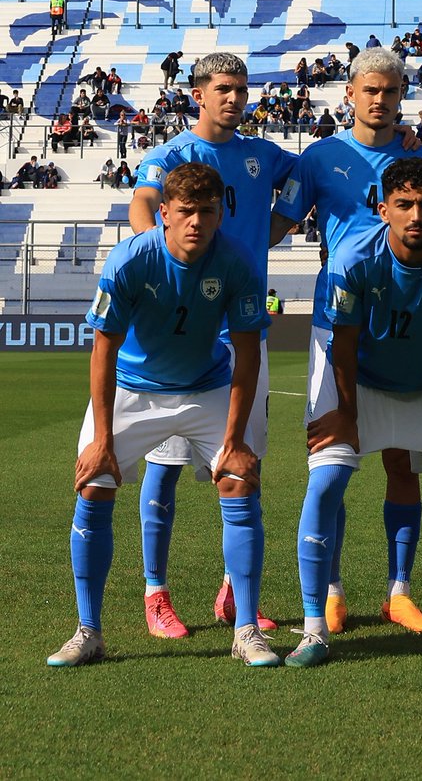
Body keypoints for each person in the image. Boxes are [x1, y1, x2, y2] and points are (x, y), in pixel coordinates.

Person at [48, 163, 275, 668]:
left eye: (208, 211)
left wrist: (235, 439)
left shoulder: (237, 263)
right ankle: (89, 631)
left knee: (239, 478)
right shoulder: (131, 259)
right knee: (95, 482)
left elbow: (249, 354)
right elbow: (103, 350)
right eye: (187, 211)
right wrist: (102, 440)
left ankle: (245, 630)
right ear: (164, 214)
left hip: (206, 387)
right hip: (134, 389)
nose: (197, 221)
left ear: (221, 215)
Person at [288, 157, 422, 668]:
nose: (416, 215)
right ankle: (314, 629)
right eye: (403, 204)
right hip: (358, 383)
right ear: (383, 209)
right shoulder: (352, 257)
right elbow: (343, 341)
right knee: (326, 482)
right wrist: (345, 412)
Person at [270, 48, 422, 636]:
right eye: (370, 89)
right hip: (335, 321)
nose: (380, 100)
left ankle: (399, 591)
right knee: (332, 459)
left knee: (402, 460)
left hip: (410, 321)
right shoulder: (320, 158)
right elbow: (273, 226)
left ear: (402, 96)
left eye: (391, 91)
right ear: (349, 93)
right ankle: (333, 590)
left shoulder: (420, 161)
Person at [127, 52, 296, 637]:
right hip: (186, 334)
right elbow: (143, 202)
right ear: (197, 93)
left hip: (245, 330)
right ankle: (156, 593)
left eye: (242, 88)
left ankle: (232, 593)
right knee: (165, 467)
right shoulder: (173, 154)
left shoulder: (262, 155)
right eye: (223, 88)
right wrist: (168, 263)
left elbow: (302, 184)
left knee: (244, 465)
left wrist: (270, 234)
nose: (235, 97)